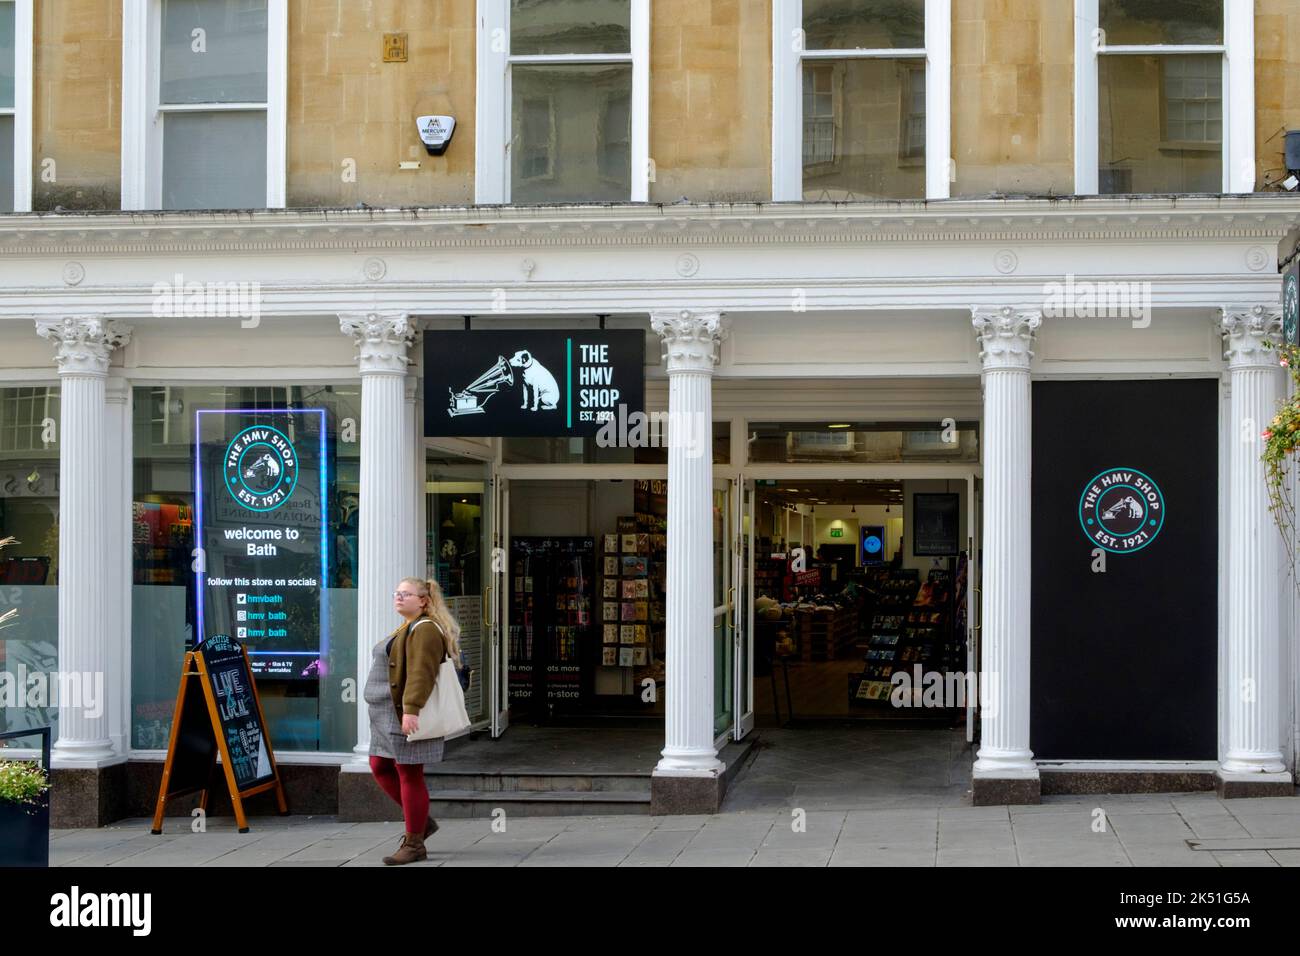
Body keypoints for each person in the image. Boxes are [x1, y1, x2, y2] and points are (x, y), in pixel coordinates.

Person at [363, 576, 460, 865]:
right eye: (397, 592)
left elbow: (422, 672)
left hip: (402, 713)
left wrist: (411, 709)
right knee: (379, 765)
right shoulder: (407, 627)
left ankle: (415, 842)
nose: (398, 597)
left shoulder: (426, 629)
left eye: (406, 594)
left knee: (409, 773)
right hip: (385, 714)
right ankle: (421, 822)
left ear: (424, 600)